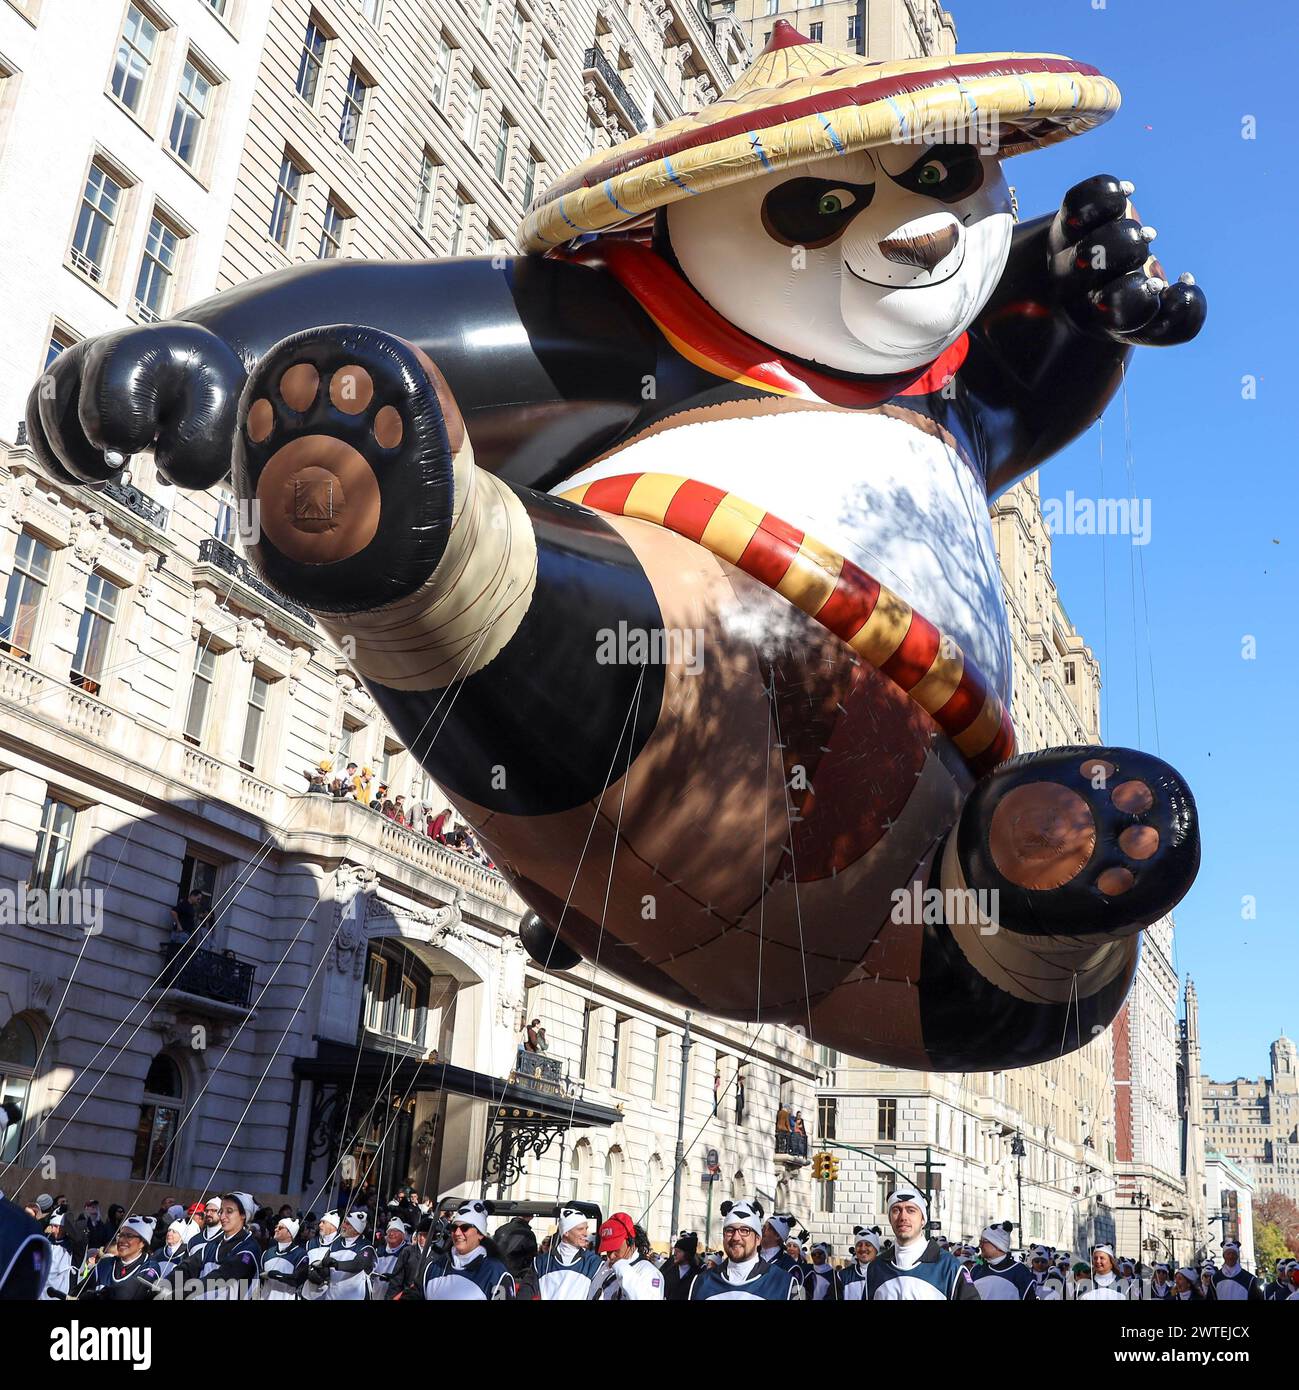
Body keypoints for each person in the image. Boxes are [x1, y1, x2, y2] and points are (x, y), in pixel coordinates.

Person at [867, 1190, 979, 1300]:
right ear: (890, 1219)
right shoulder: (876, 1268)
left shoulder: (949, 1267)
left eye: (911, 1210)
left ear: (923, 1219)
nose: (903, 1217)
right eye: (896, 1210)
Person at [690, 1201, 800, 1300]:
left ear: (758, 1239)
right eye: (730, 1230)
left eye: (744, 1230)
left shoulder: (784, 1284)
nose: (736, 1237)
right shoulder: (702, 1282)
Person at [421, 1199, 514, 1299]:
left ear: (480, 1234)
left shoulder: (495, 1273)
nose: (457, 1233)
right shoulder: (434, 1266)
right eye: (454, 1227)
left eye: (465, 1228)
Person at [181, 1191, 261, 1299]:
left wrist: (184, 1292)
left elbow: (224, 1275)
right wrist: (166, 1282)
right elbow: (187, 1266)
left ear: (243, 1215)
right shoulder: (213, 1245)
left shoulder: (249, 1249)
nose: (223, 1216)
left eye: (229, 1211)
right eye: (221, 1211)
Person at [78, 1215, 163, 1300]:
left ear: (142, 1243)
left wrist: (98, 1295)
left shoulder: (150, 1268)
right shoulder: (105, 1264)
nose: (122, 1240)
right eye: (120, 1235)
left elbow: (130, 1291)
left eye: (129, 1236)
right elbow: (78, 1292)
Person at [590, 1211, 663, 1299]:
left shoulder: (649, 1272)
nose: (611, 1256)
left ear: (631, 1242)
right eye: (608, 1251)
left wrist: (622, 1268)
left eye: (616, 1249)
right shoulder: (606, 1267)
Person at [534, 1208, 603, 1300]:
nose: (586, 1234)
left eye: (586, 1229)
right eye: (580, 1229)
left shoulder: (594, 1262)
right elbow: (526, 1292)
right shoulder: (541, 1262)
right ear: (566, 1232)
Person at [309, 1209, 376, 1300]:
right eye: (344, 1222)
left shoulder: (365, 1245)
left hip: (354, 1296)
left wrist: (336, 1264)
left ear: (356, 1229)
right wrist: (318, 1270)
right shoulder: (335, 1243)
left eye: (348, 1224)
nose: (343, 1225)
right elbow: (327, 1268)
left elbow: (359, 1264)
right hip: (332, 1296)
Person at [970, 1222, 1036, 1301]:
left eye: (983, 1242)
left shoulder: (1020, 1271)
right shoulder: (976, 1270)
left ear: (998, 1245)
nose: (980, 1246)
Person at [259, 1217, 308, 1300]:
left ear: (290, 1233)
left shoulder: (300, 1254)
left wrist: (277, 1275)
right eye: (276, 1227)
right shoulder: (267, 1253)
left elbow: (298, 1280)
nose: (276, 1229)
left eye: (280, 1228)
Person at [372, 1218, 421, 1299]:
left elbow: (410, 1278)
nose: (391, 1233)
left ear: (403, 1234)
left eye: (396, 1231)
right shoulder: (379, 1250)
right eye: (389, 1231)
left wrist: (392, 1278)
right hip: (376, 1294)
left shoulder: (409, 1252)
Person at [301, 1209, 340, 1301]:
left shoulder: (341, 1243)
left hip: (330, 1293)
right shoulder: (311, 1242)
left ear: (332, 1225)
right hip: (308, 1292)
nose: (320, 1225)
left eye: (323, 1222)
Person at [841, 1227, 882, 1301]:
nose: (863, 1249)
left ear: (876, 1249)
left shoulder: (886, 1274)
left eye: (868, 1244)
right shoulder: (843, 1276)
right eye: (859, 1245)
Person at [41, 1210, 73, 1299]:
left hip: (58, 1290)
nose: (53, 1229)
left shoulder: (70, 1244)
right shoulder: (45, 1239)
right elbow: (36, 1256)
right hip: (41, 1290)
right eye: (51, 1226)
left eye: (56, 1226)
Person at [664, 1230, 703, 1302]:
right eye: (674, 1251)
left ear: (687, 1254)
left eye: (678, 1251)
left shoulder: (698, 1275)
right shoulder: (669, 1270)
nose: (674, 1254)